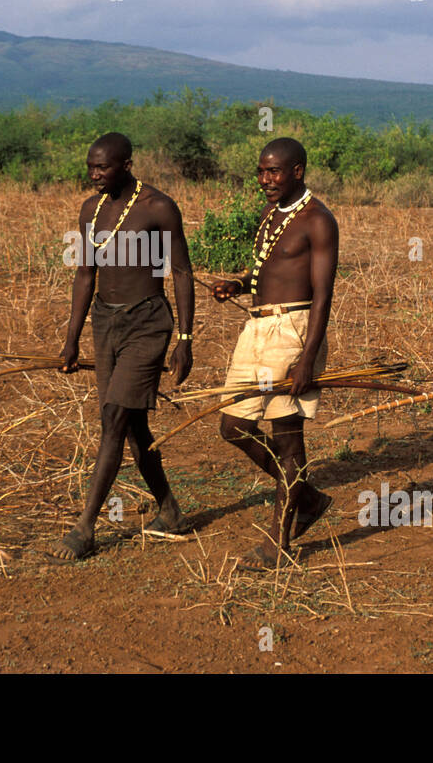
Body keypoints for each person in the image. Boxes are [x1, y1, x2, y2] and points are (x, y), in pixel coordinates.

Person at [50, 132, 195, 561]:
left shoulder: (157, 207)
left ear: (127, 164)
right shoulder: (91, 210)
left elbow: (182, 273)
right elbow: (83, 275)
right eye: (91, 167)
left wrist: (185, 340)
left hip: (148, 322)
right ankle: (169, 509)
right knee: (130, 425)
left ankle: (84, 527)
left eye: (104, 168)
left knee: (114, 417)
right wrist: (71, 341)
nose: (95, 175)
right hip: (105, 321)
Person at [212, 137, 338, 571]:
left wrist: (308, 357)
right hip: (257, 326)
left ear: (297, 171)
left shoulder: (319, 221)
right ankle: (308, 498)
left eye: (274, 171)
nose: (265, 179)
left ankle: (277, 544)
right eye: (262, 171)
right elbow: (267, 268)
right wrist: (239, 284)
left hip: (294, 329)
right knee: (233, 426)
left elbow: (323, 294)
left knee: (287, 436)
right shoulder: (270, 214)